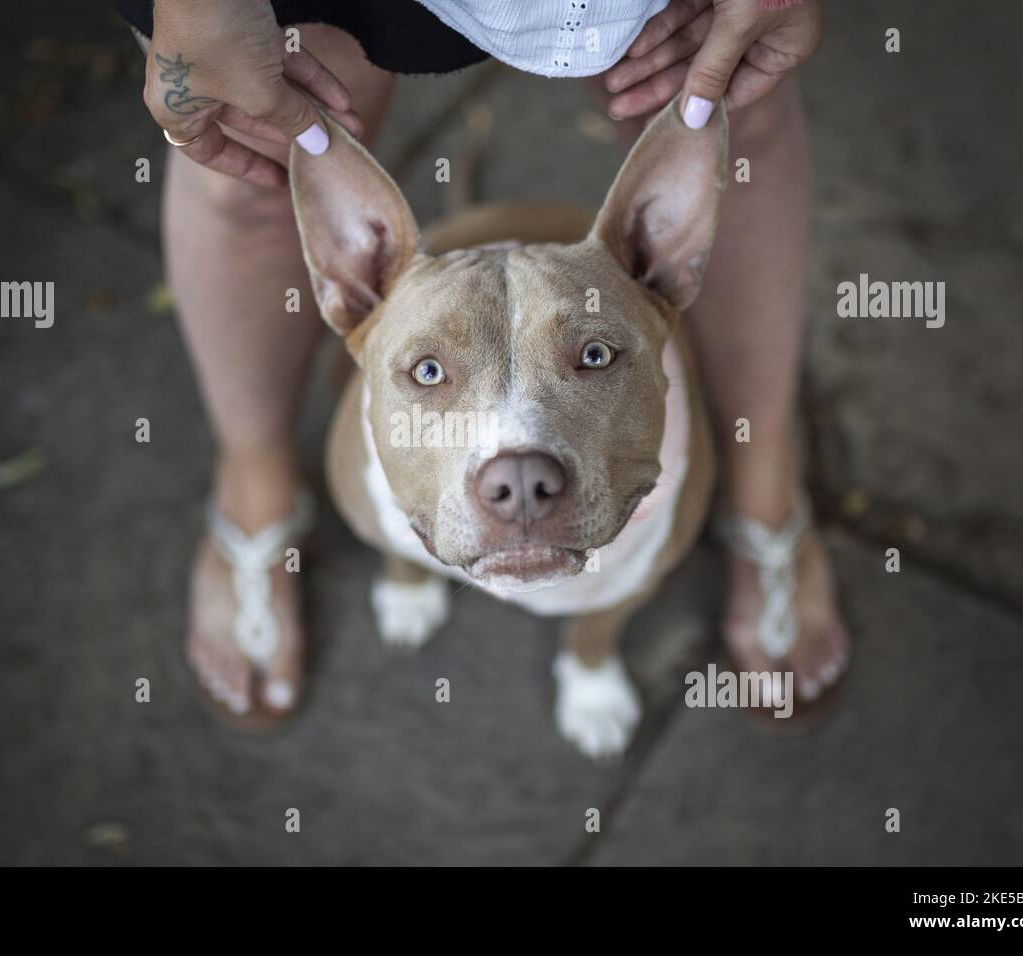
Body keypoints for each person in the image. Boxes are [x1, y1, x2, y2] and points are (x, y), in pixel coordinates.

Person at [118, 0, 848, 722]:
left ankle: (743, 494)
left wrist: (589, 664)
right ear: (349, 286)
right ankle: (271, 488)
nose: (519, 474)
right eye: (429, 373)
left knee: (717, 85)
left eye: (593, 356)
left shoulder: (643, 283)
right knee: (259, 141)